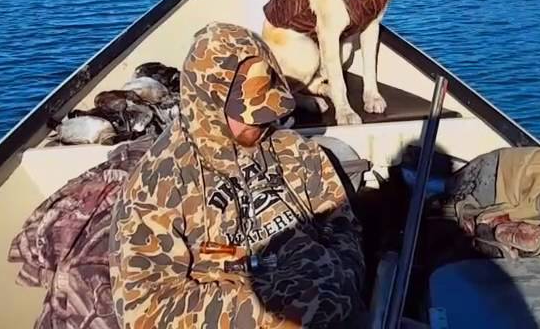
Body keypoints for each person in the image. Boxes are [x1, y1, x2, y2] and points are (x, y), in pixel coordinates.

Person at [111, 22, 365, 328]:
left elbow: (344, 229)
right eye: (248, 113)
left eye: (266, 109)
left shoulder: (296, 152)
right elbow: (144, 310)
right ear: (209, 103)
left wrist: (341, 285)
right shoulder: (156, 185)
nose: (261, 123)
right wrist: (268, 321)